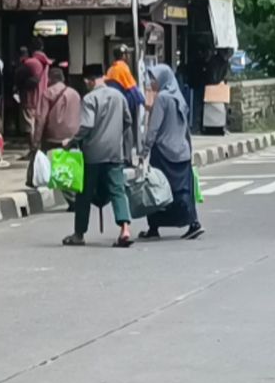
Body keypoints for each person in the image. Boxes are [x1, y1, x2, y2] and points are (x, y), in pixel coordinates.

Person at [64, 64, 133, 247]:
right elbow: (128, 120)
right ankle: (125, 229)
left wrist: (71, 141)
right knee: (118, 191)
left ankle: (79, 234)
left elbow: (86, 125)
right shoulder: (119, 96)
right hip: (115, 153)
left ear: (89, 81)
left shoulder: (90, 99)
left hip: (93, 155)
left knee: (84, 194)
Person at [140, 64, 203, 240]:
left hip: (163, 152)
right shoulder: (179, 97)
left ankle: (154, 227)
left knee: (155, 189)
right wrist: (189, 149)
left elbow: (153, 128)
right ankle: (193, 222)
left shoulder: (162, 99)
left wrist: (145, 150)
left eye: (154, 79)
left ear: (162, 79)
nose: (152, 83)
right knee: (183, 190)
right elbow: (186, 128)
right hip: (182, 152)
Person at [16, 40, 52, 148]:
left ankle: (33, 149)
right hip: (42, 98)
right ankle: (38, 147)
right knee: (38, 125)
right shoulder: (46, 62)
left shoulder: (30, 62)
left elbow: (19, 77)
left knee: (29, 126)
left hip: (29, 98)